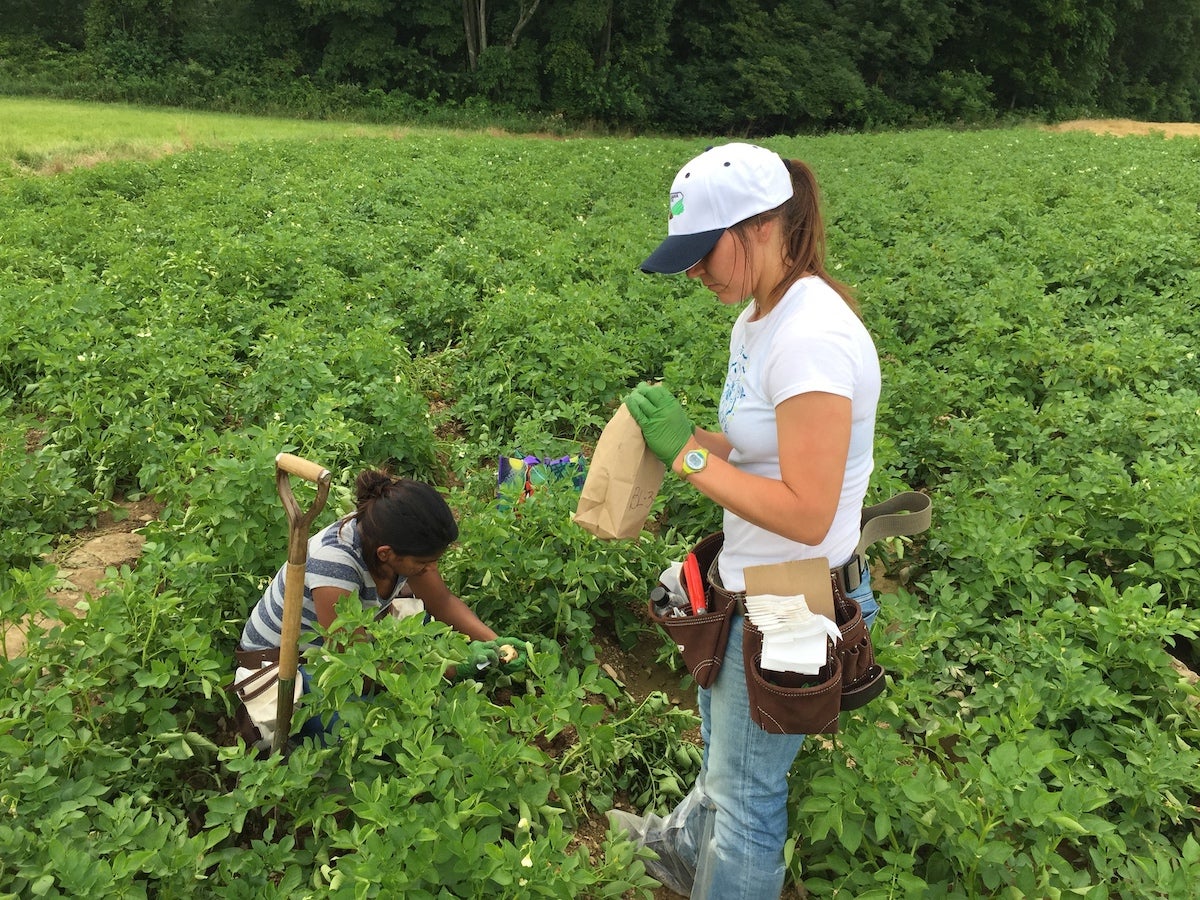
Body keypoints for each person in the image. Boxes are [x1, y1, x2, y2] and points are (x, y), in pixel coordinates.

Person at [613, 143, 881, 899]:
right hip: (754, 580)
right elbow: (762, 451)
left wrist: (692, 459)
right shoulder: (759, 318)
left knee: (748, 805)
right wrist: (690, 439)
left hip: (794, 597)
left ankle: (713, 867)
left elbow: (808, 512)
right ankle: (681, 851)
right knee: (726, 755)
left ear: (761, 226)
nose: (694, 273)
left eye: (704, 252)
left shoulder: (811, 337)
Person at [237, 468, 526, 740]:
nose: (430, 569)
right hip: (282, 664)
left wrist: (495, 642)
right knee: (367, 726)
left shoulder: (390, 534)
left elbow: (442, 601)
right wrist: (450, 669)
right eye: (424, 563)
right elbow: (357, 664)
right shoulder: (335, 566)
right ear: (386, 554)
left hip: (342, 645)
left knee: (430, 630)